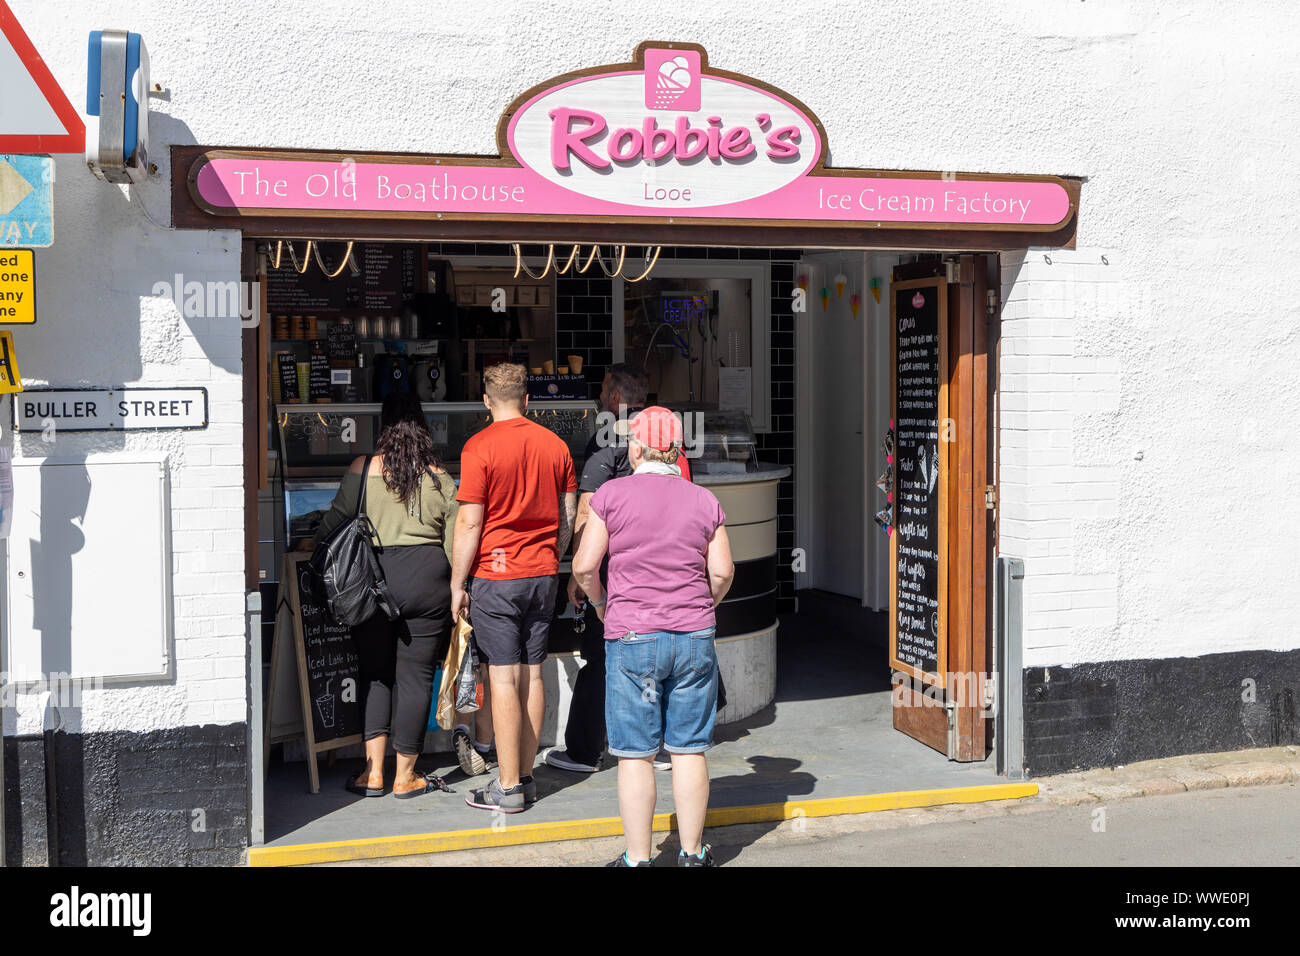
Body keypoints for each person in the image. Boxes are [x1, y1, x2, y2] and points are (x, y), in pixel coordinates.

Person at [572, 407, 734, 867]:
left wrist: (604, 606)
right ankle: (690, 853)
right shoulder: (704, 501)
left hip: (631, 636)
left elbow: (584, 566)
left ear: (636, 449)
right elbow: (722, 571)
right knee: (688, 749)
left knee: (635, 755)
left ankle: (638, 859)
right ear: (678, 451)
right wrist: (704, 607)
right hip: (693, 637)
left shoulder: (610, 495)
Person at [312, 391, 457, 799]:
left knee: (376, 674)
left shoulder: (362, 468)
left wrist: (313, 550)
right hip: (428, 582)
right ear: (423, 429)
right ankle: (405, 777)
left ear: (382, 426)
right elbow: (453, 539)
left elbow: (334, 522)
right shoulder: (438, 476)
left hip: (370, 583)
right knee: (416, 678)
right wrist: (459, 586)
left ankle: (373, 774)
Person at [547, 364, 690, 775]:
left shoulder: (608, 439)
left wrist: (578, 570)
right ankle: (664, 747)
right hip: (671, 573)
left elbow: (588, 509)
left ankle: (585, 751)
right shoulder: (668, 441)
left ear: (613, 398)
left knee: (600, 656)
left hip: (619, 570)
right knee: (666, 654)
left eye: (604, 388)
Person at [451, 362, 577, 813]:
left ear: (486, 401)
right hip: (543, 574)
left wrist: (456, 582)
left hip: (497, 576)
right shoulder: (556, 444)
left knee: (502, 677)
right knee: (533, 674)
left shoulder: (477, 447)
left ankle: (507, 788)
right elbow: (567, 512)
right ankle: (527, 776)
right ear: (527, 400)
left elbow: (469, 521)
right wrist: (553, 557)